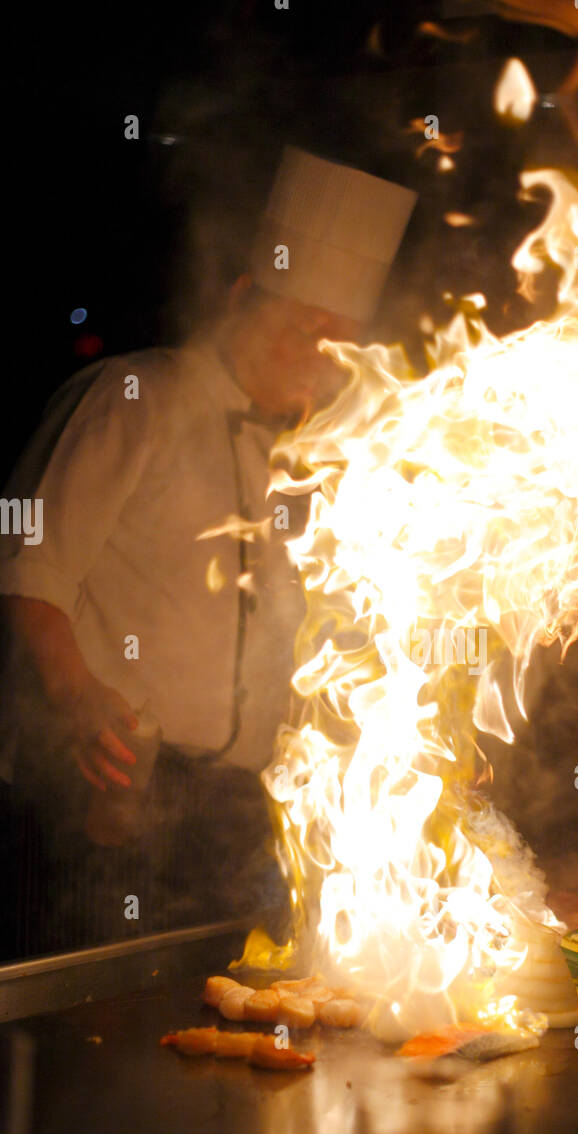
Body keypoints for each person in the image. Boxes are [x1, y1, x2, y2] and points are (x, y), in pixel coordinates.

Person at [0, 146, 416, 956]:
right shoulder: (136, 396)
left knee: (222, 1043)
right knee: (83, 1043)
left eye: (343, 341)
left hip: (238, 817)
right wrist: (78, 694)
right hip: (105, 799)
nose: (322, 357)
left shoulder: (319, 459)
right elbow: (27, 563)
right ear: (239, 296)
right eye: (304, 327)